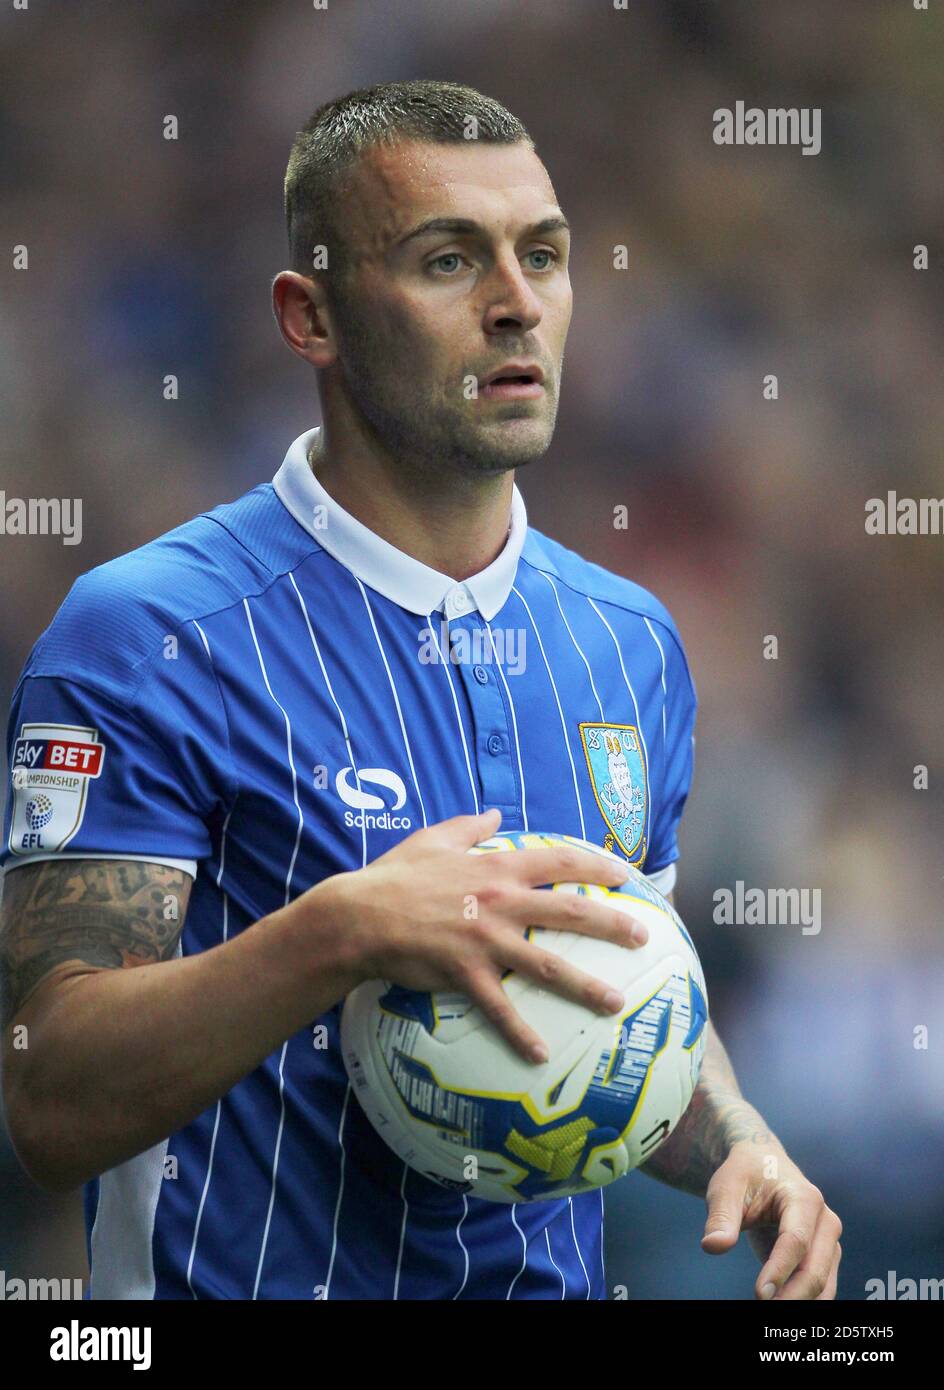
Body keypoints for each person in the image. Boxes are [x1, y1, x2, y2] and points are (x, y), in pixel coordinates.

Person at [0, 79, 840, 1300]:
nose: (516, 307)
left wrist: (738, 1137)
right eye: (449, 260)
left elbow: (621, 987)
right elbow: (48, 1096)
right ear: (312, 317)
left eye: (542, 256)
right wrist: (338, 932)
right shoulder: (149, 631)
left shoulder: (628, 641)